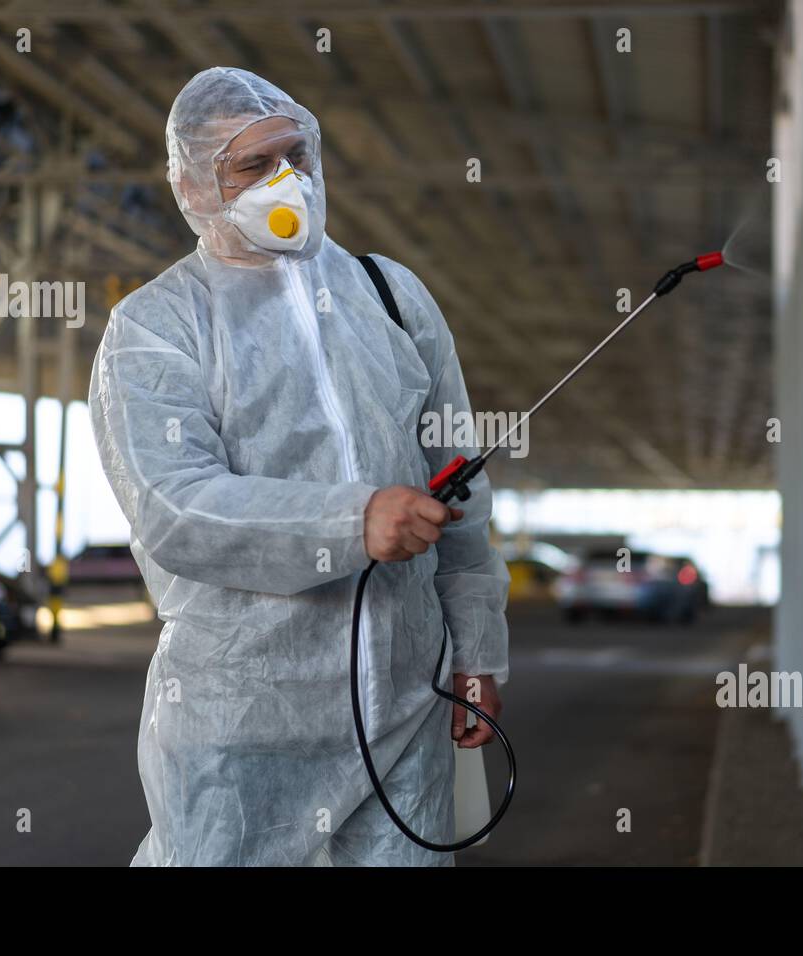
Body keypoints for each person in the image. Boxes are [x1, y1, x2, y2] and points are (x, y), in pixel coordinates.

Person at [89, 67, 510, 866]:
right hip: (244, 725)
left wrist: (478, 652)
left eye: (297, 157)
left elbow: (462, 488)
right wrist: (353, 521)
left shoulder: (392, 297)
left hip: (405, 717)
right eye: (253, 167)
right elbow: (173, 506)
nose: (287, 181)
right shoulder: (157, 326)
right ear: (193, 185)